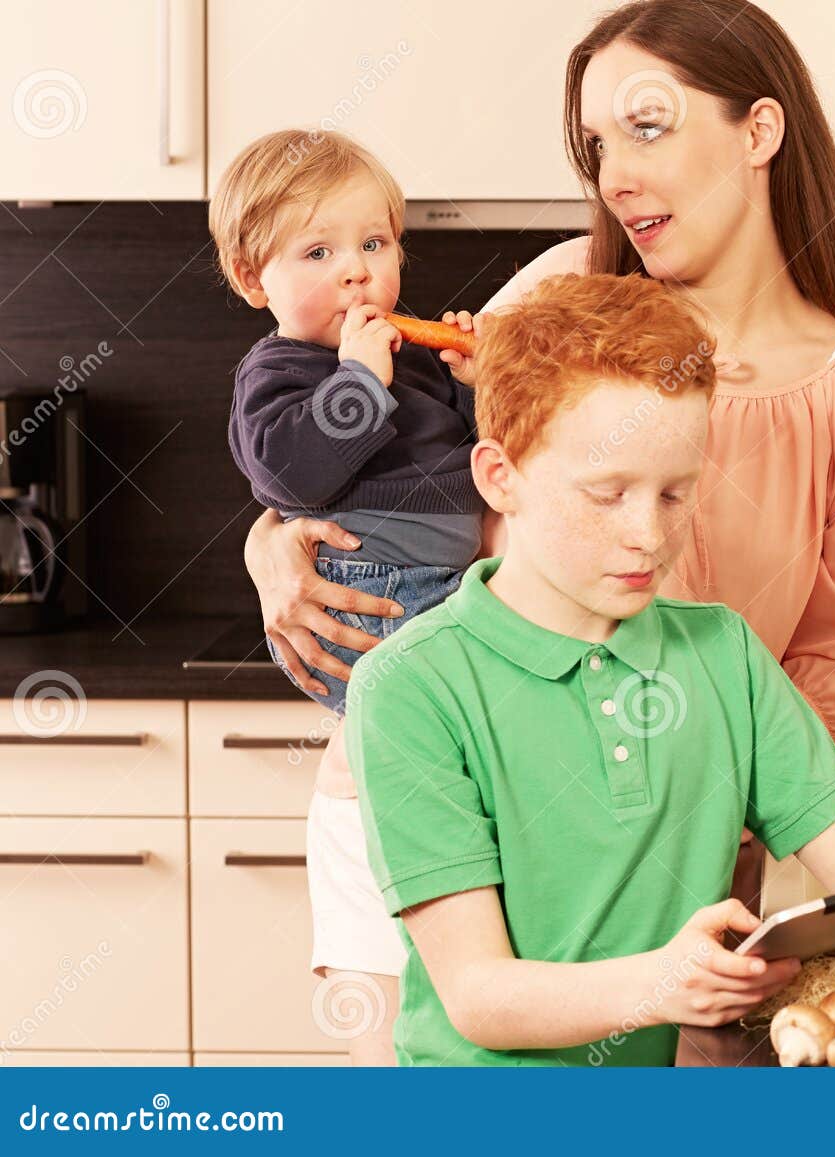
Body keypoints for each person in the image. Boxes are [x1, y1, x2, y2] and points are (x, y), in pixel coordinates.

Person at [241, 0, 835, 1062]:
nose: (612, 172)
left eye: (645, 126)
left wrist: (737, 803)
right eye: (595, 144)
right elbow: (391, 451)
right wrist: (271, 538)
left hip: (675, 854)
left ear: (758, 132)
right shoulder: (558, 292)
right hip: (435, 804)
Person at [347, 272, 835, 1065]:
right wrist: (657, 984)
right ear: (498, 476)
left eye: (677, 493)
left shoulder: (722, 653)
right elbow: (479, 994)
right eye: (607, 494)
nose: (647, 535)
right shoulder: (412, 686)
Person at [211, 127, 483, 1063]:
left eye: (375, 244)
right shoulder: (278, 372)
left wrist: (482, 388)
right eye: (318, 253)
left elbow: (477, 463)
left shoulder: (407, 360)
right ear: (256, 279)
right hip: (375, 590)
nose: (358, 274)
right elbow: (294, 470)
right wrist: (357, 379)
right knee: (414, 763)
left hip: (444, 583)